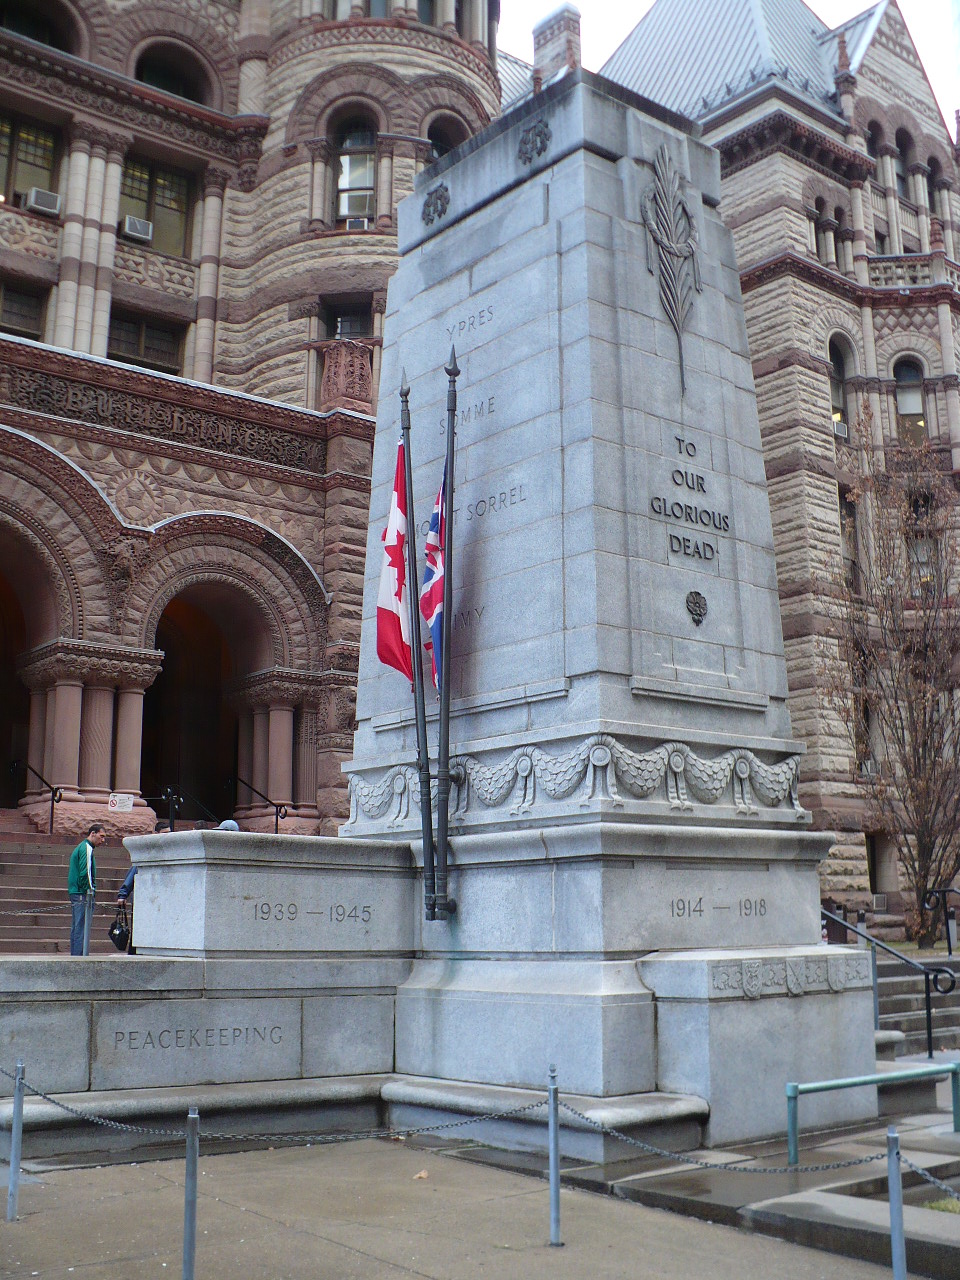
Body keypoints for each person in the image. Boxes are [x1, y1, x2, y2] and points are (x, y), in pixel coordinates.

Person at [67, 823, 106, 956]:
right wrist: (89, 891)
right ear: (92, 834)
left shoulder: (82, 847)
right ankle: (79, 958)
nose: (103, 840)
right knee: (81, 928)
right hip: (82, 893)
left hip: (76, 891)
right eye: (101, 836)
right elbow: (85, 872)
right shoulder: (86, 848)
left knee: (77, 927)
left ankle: (76, 956)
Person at [116, 864, 138, 954]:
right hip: (139, 903)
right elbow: (129, 880)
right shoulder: (137, 866)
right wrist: (122, 895)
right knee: (136, 932)